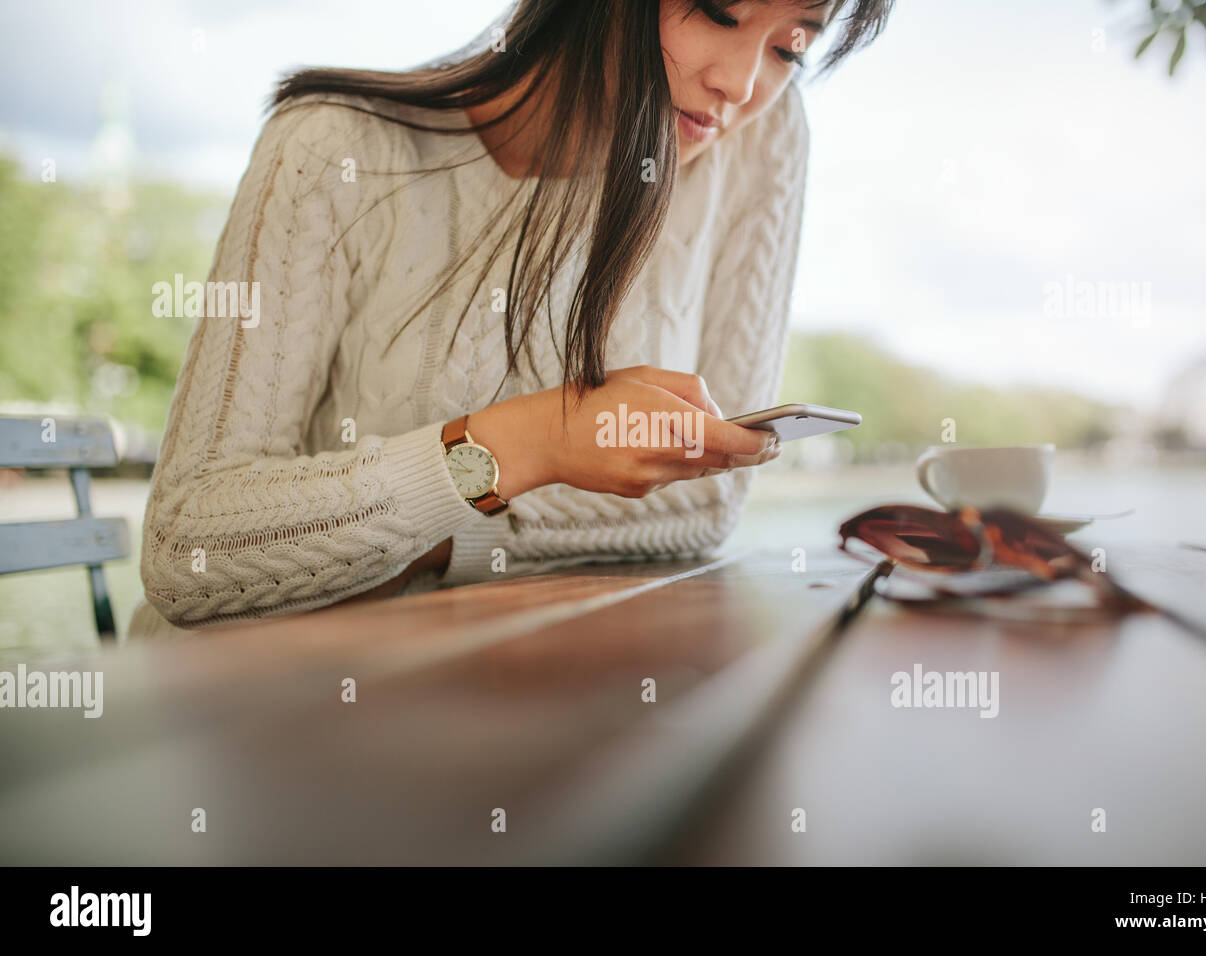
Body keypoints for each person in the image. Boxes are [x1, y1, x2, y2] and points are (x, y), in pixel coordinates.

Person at [130, 0, 894, 635]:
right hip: (262, 710)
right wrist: (532, 443)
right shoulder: (332, 148)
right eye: (720, 9)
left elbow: (707, 496)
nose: (740, 81)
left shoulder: (759, 136)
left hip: (514, 683)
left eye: (791, 48)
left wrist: (436, 533)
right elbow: (188, 543)